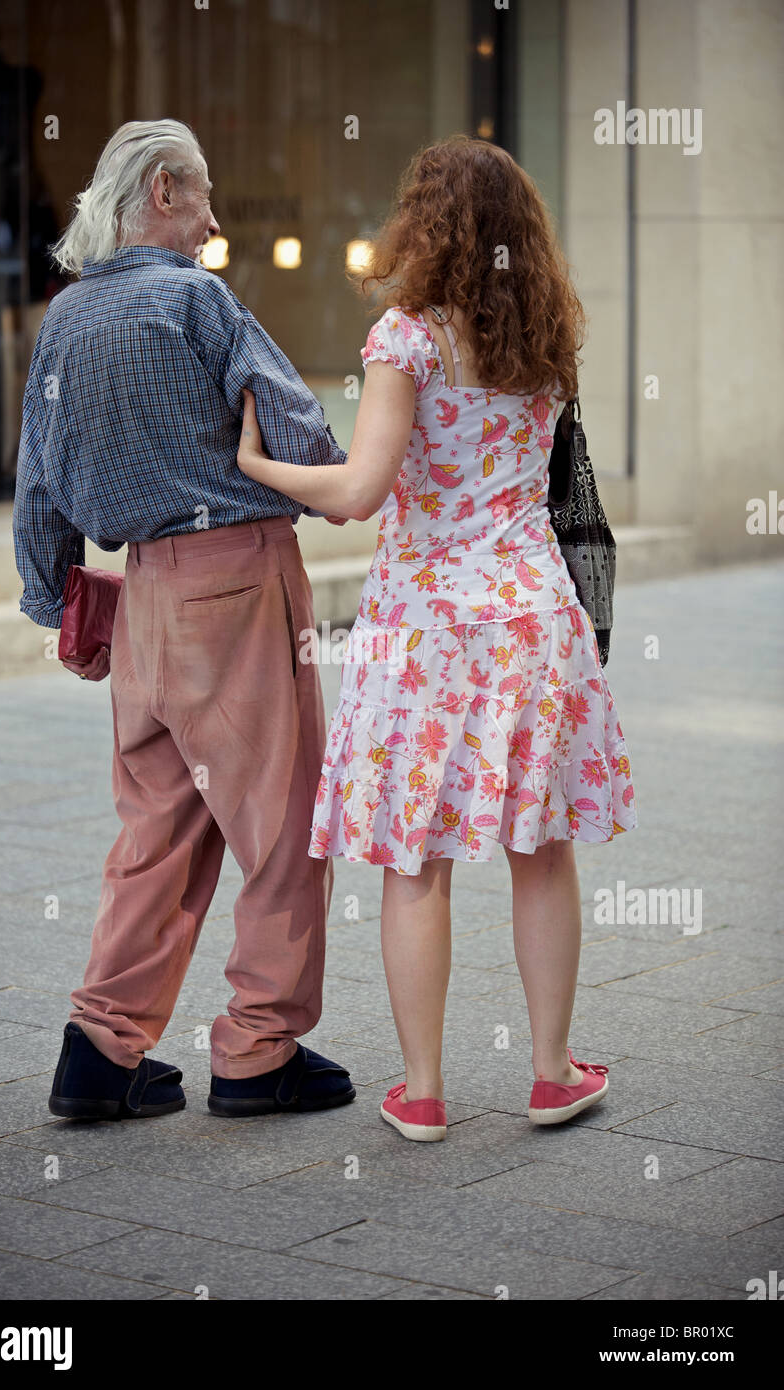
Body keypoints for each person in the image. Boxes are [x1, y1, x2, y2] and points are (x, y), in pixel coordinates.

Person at [236, 135, 638, 1142]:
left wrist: (260, 466)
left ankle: (420, 1091)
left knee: (415, 859)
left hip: (422, 629)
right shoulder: (544, 337)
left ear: (423, 223)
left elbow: (360, 492)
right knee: (539, 848)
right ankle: (550, 1072)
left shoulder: (405, 338)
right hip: (531, 619)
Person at [13, 119, 355, 1120]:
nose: (211, 223)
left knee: (153, 835)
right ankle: (256, 1049)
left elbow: (37, 485)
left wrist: (53, 598)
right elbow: (300, 428)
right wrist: (321, 471)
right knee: (287, 824)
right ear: (162, 191)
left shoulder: (63, 319)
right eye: (202, 198)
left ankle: (99, 1050)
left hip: (141, 606)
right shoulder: (197, 299)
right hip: (239, 589)